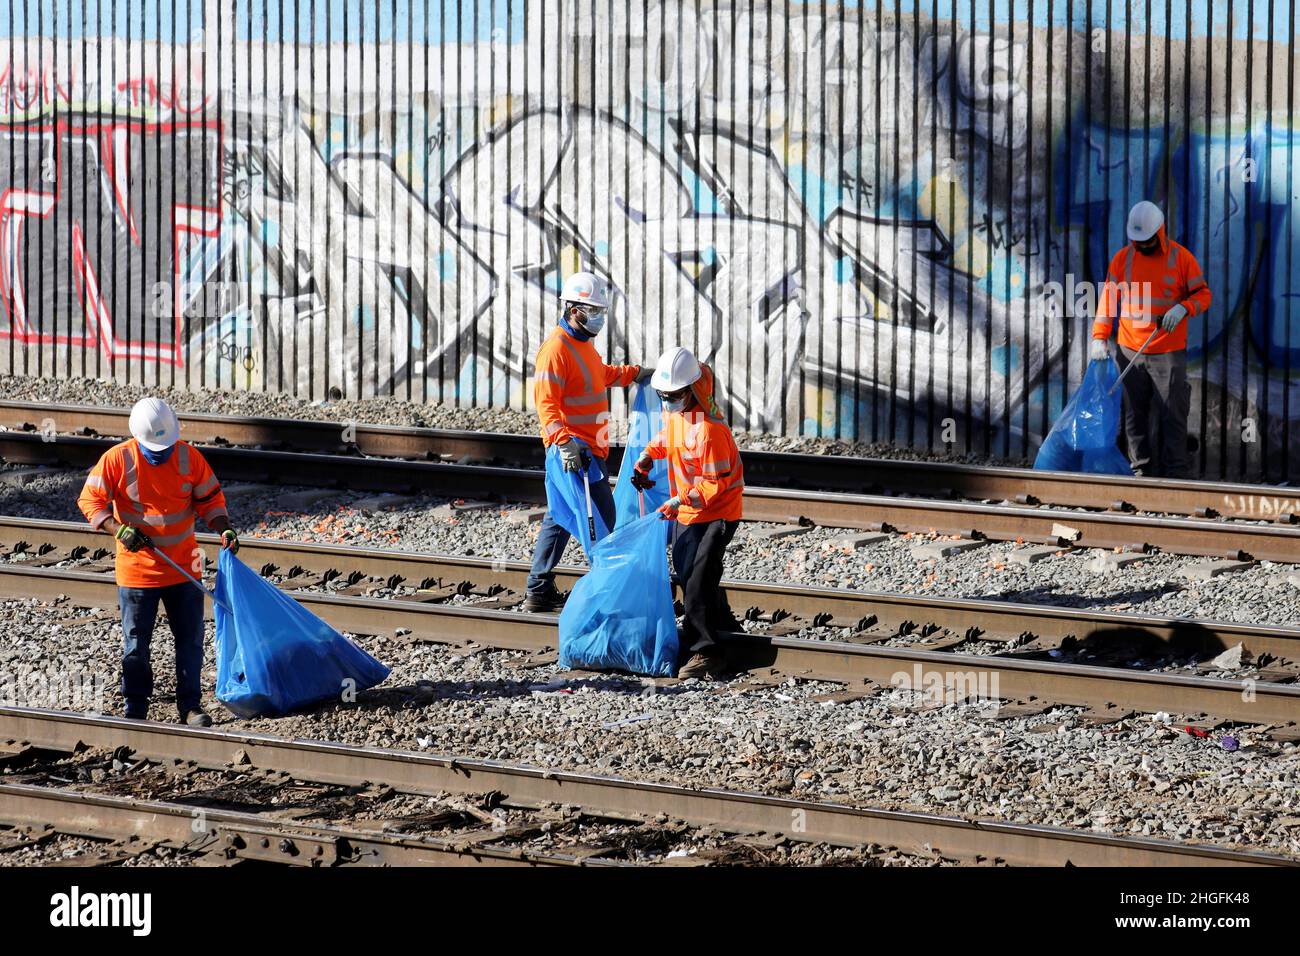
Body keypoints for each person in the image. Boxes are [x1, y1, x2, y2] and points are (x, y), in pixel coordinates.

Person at [76, 397, 240, 725]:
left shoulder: (188, 457)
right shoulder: (116, 460)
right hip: (138, 573)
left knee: (191, 641)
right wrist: (117, 529)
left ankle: (190, 707)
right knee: (136, 644)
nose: (160, 452)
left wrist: (224, 527)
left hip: (184, 568)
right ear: (137, 437)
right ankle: (135, 708)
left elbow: (210, 500)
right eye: (154, 447)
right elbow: (89, 500)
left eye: (164, 446)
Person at [524, 271, 652, 612]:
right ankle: (613, 592)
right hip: (573, 454)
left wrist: (634, 373)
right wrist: (563, 442)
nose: (597, 317)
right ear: (572, 309)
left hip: (587, 451)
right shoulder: (555, 349)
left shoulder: (584, 347)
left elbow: (600, 376)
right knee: (601, 523)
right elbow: (546, 403)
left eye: (599, 311)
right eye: (591, 310)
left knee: (561, 516)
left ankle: (538, 589)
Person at [630, 347, 744, 679]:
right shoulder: (680, 414)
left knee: (695, 581)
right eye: (663, 396)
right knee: (689, 572)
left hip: (717, 512)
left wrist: (679, 501)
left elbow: (713, 486)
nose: (667, 401)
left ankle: (706, 651)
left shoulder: (709, 430)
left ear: (691, 390)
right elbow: (668, 436)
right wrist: (649, 456)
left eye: (673, 395)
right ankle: (720, 622)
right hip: (690, 511)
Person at [1089, 200, 1212, 477]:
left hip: (1167, 353)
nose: (1142, 246)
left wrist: (1184, 308)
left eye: (1147, 241)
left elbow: (1203, 295)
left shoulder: (1181, 259)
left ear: (1160, 232)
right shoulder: (1122, 259)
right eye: (1137, 241)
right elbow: (1108, 301)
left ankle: (1175, 475)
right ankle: (1141, 471)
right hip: (1130, 350)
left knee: (1173, 416)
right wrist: (1099, 337)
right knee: (1134, 415)